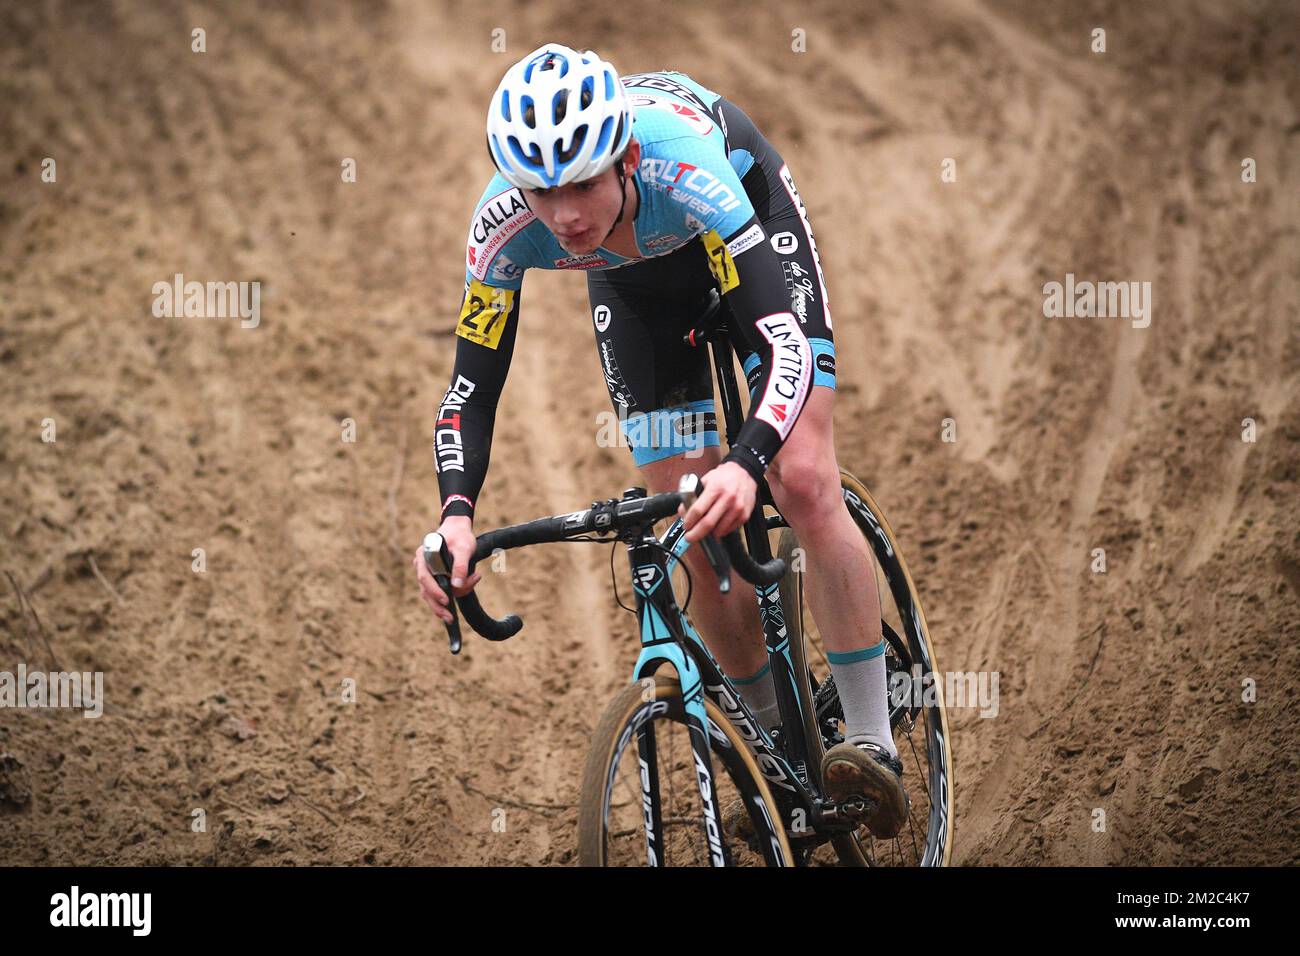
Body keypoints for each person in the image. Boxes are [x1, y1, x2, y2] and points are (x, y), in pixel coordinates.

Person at [412, 43, 908, 838]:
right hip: (636, 287)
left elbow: (783, 346)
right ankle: (777, 755)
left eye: (582, 184)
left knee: (802, 477)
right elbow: (471, 389)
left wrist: (748, 462)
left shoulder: (687, 171)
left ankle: (872, 744)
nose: (564, 215)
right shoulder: (504, 225)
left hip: (743, 226)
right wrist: (455, 517)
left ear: (628, 159)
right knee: (691, 520)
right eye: (542, 192)